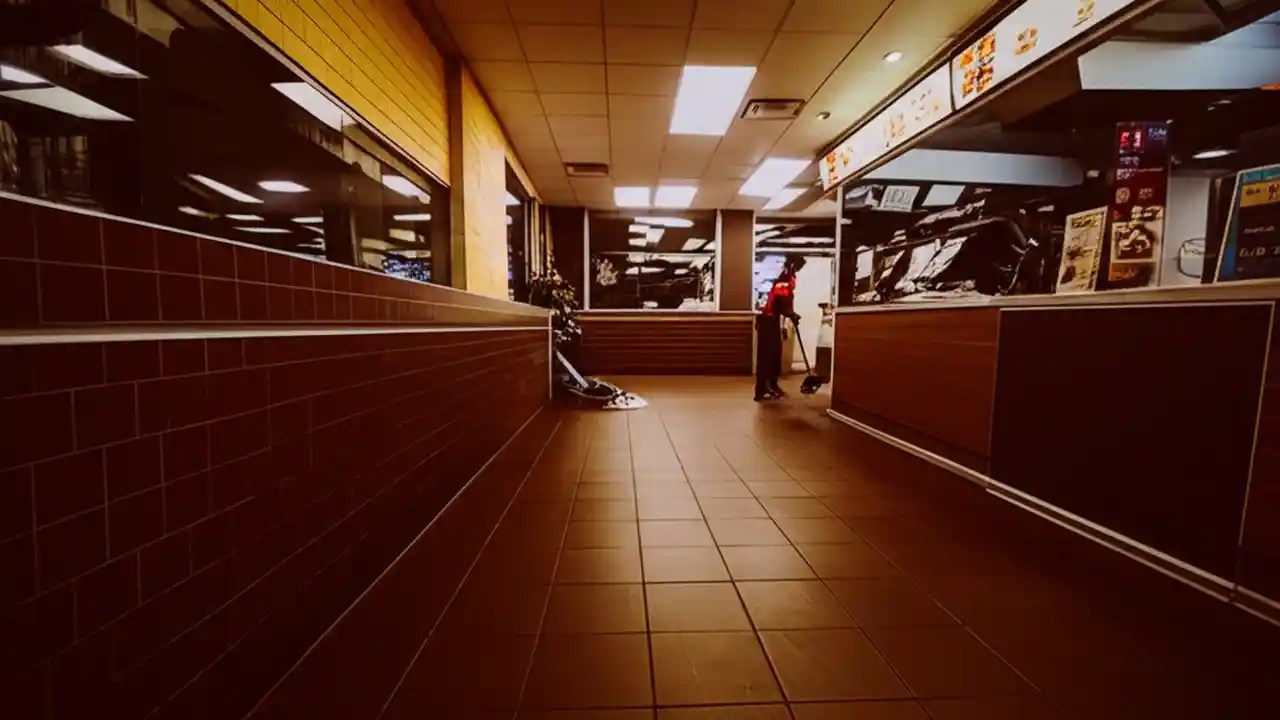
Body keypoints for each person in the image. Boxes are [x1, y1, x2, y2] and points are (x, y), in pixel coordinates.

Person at [756, 256, 806, 401]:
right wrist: (791, 314)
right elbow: (780, 301)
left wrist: (790, 314)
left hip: (772, 319)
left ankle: (772, 386)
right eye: (800, 265)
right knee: (767, 357)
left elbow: (784, 301)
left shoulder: (786, 277)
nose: (800, 268)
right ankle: (761, 390)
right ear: (793, 264)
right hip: (768, 320)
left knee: (774, 357)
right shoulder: (784, 278)